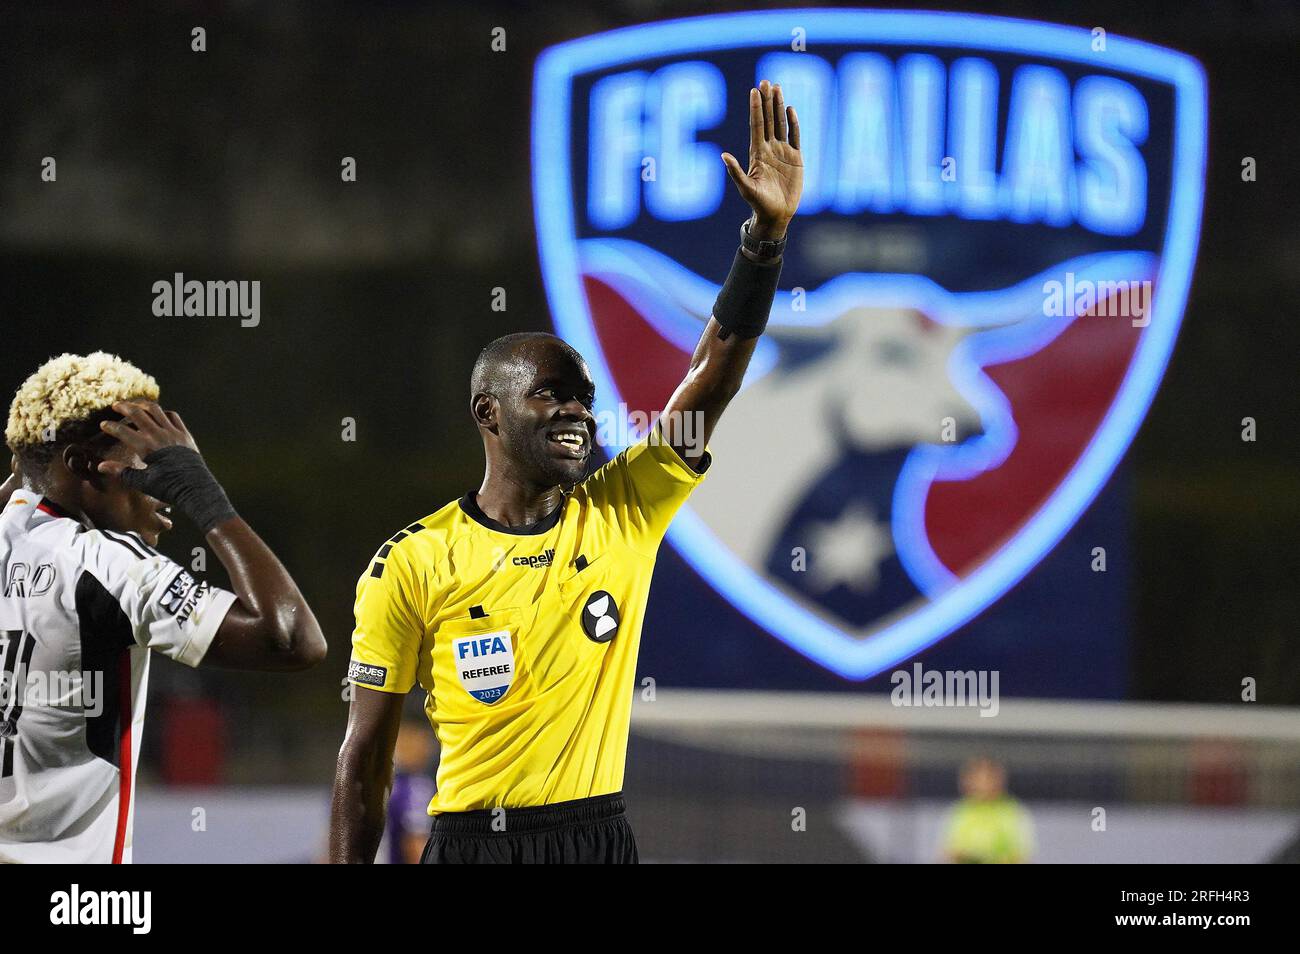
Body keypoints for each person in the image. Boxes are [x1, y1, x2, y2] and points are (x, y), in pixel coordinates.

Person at [330, 80, 803, 863]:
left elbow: (711, 375)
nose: (578, 412)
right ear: (489, 413)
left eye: (585, 398)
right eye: (551, 394)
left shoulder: (625, 506)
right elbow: (365, 760)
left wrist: (764, 240)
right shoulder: (411, 561)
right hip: (473, 844)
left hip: (596, 838)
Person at [0, 352, 326, 863]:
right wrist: (200, 491)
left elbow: (25, 486)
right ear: (85, 465)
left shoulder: (12, 529)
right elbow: (292, 639)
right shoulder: (106, 563)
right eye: (148, 460)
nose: (161, 486)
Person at [941, 757, 1036, 864]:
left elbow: (1021, 856)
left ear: (999, 780)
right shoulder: (960, 811)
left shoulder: (1012, 812)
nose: (982, 783)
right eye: (977, 778)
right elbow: (949, 853)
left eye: (988, 778)